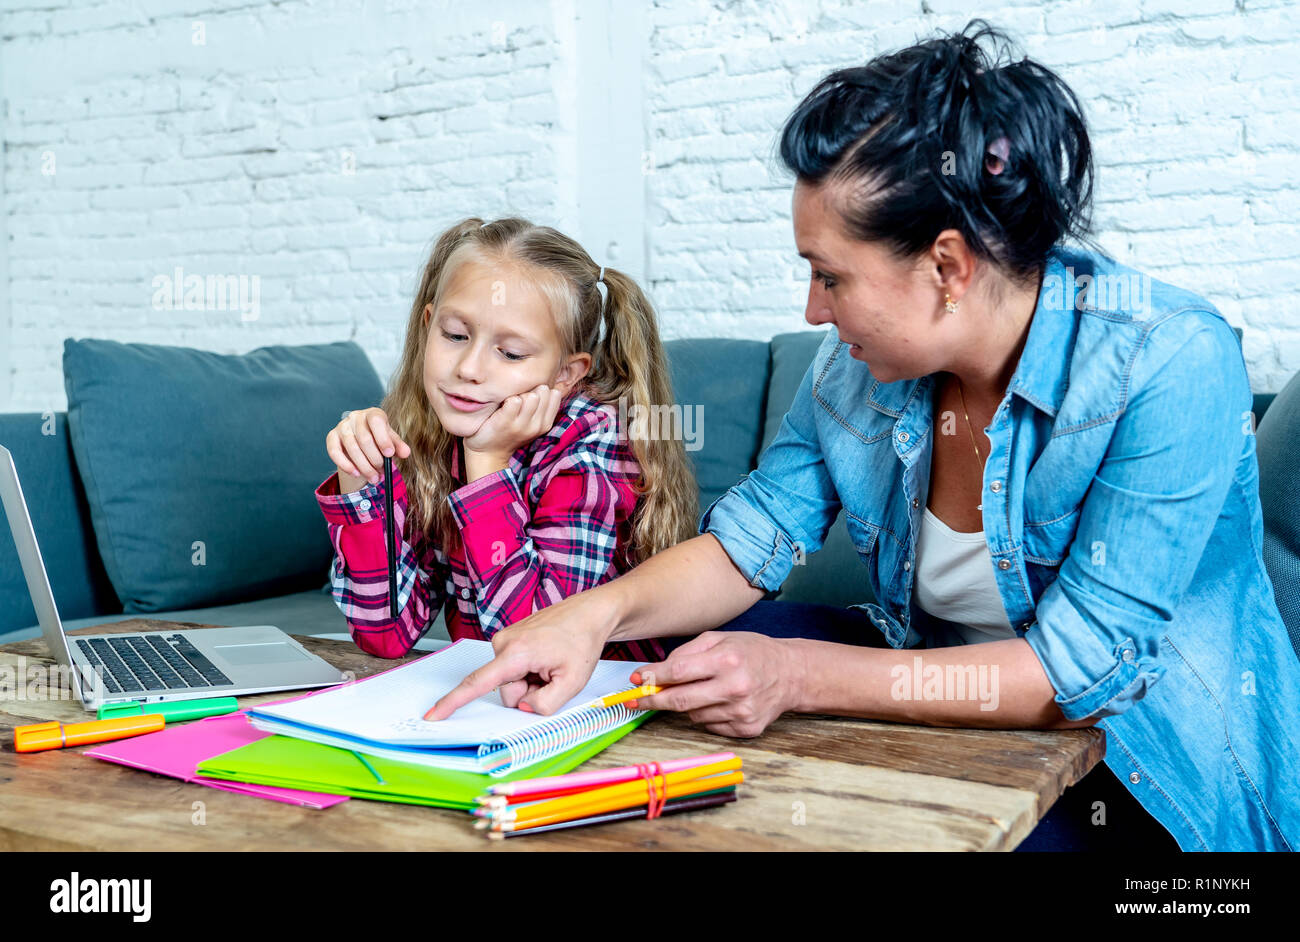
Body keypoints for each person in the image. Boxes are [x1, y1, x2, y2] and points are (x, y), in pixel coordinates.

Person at [426, 21, 1300, 852]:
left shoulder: (1170, 358)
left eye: (831, 276)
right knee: (688, 679)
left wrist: (801, 676)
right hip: (930, 685)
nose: (813, 309)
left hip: (1140, 768)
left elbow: (1080, 676)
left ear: (947, 268)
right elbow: (752, 537)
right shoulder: (856, 364)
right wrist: (591, 617)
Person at [315, 216, 699, 669]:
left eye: (511, 353)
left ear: (564, 374)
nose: (469, 368)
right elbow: (386, 633)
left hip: (604, 696)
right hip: (497, 694)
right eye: (455, 335)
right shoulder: (432, 428)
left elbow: (538, 642)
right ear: (427, 323)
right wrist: (362, 485)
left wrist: (488, 465)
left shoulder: (593, 443)